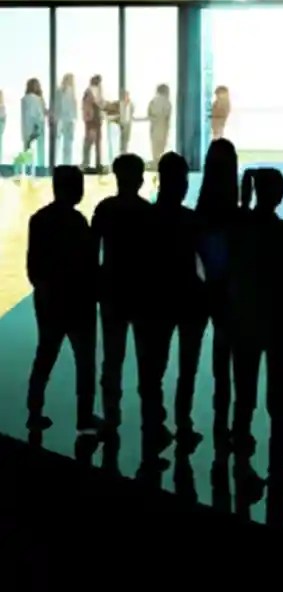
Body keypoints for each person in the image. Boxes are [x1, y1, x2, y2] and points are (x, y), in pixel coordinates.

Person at [228, 167, 283, 489]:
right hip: (279, 324)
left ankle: (242, 465)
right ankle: (277, 469)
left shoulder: (240, 228)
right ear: (279, 195)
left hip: (245, 320)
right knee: (279, 400)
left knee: (244, 397)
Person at [139, 152, 207, 450]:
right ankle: (183, 421)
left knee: (154, 367)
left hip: (155, 300)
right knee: (187, 367)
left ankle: (154, 422)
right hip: (189, 300)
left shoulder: (146, 220)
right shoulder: (191, 220)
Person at [26, 166, 100, 434]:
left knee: (44, 356)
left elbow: (33, 267)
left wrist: (44, 292)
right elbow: (90, 266)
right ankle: (84, 417)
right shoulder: (79, 223)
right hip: (79, 303)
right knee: (85, 363)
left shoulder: (39, 220)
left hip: (49, 301)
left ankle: (34, 411)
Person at [92, 153, 152, 432]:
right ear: (140, 179)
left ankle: (110, 416)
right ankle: (151, 420)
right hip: (141, 293)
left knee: (112, 359)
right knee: (147, 361)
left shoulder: (104, 209)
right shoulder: (146, 212)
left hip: (112, 292)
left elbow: (92, 254)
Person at [195, 138, 243, 445]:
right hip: (230, 290)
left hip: (205, 289)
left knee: (206, 357)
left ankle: (204, 419)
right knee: (232, 356)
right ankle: (233, 423)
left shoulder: (201, 212)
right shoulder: (236, 216)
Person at [19, 79, 45, 179]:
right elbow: (38, 114)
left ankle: (26, 172)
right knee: (38, 150)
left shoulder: (24, 99)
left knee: (27, 149)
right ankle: (37, 173)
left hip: (26, 127)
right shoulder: (37, 99)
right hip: (37, 125)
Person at [82, 74, 105, 172]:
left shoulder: (93, 91)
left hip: (95, 119)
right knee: (91, 141)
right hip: (92, 119)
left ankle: (96, 164)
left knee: (96, 142)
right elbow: (95, 103)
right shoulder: (91, 91)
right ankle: (87, 164)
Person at [52, 74, 77, 167]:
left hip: (68, 120)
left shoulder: (70, 91)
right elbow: (57, 105)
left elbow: (73, 107)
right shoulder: (59, 91)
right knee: (59, 143)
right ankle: (56, 164)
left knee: (67, 144)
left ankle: (66, 165)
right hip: (61, 119)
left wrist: (74, 119)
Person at [148, 84, 172, 166]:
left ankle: (156, 167)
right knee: (161, 150)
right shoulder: (167, 102)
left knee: (155, 151)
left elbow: (149, 115)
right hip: (163, 128)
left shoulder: (153, 101)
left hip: (154, 128)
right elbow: (167, 117)